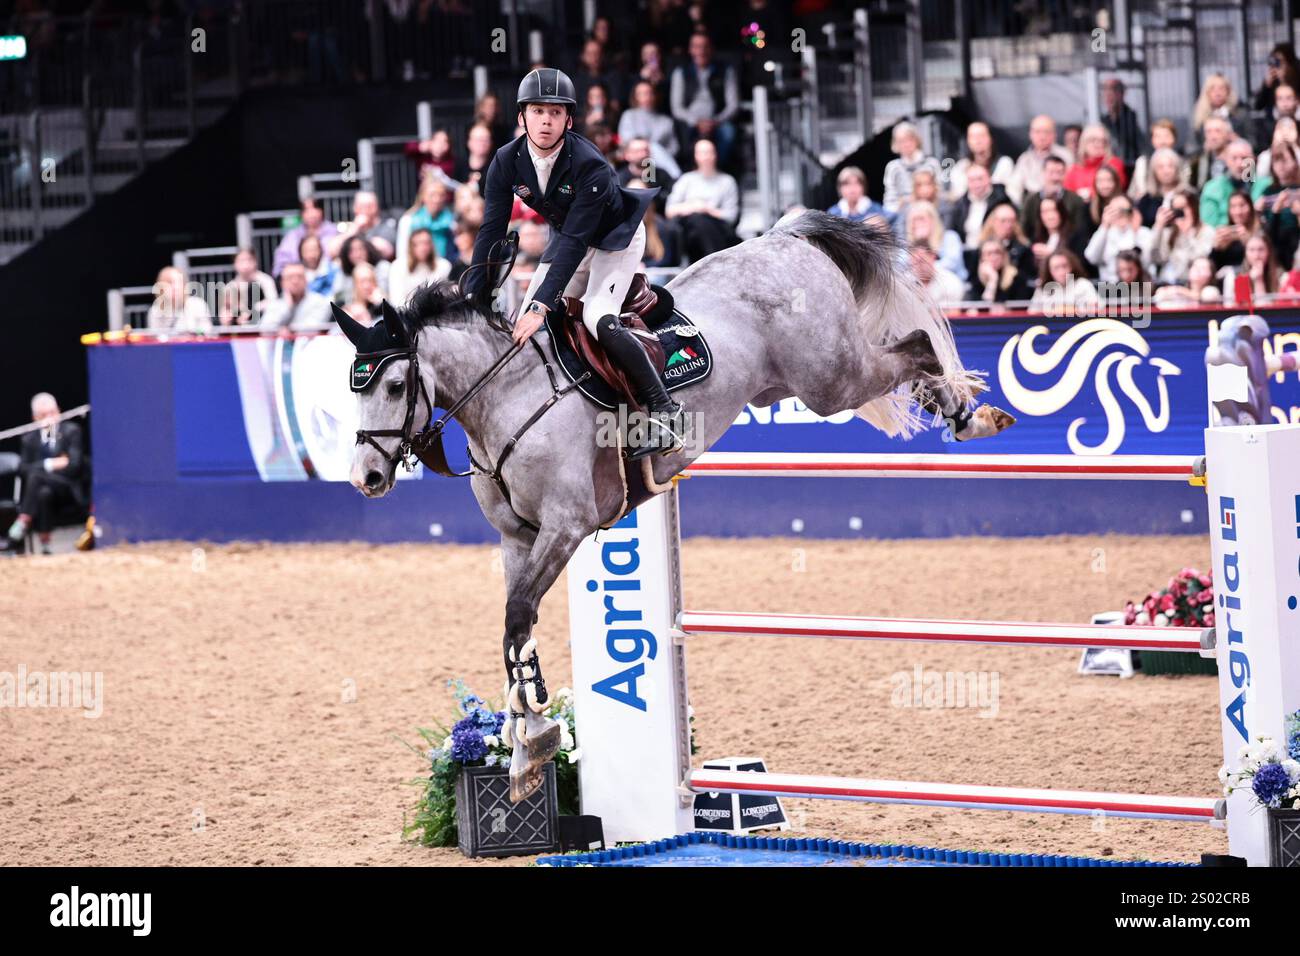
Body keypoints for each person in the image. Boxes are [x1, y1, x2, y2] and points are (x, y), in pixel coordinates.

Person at [461, 67, 684, 459]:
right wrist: (471, 296)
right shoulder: (504, 161)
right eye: (537, 111)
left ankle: (666, 412)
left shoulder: (589, 164)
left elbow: (580, 241)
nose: (546, 120)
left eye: (555, 112)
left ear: (569, 119)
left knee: (598, 316)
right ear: (521, 117)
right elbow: (491, 231)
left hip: (616, 238)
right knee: (526, 327)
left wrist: (539, 305)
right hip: (569, 238)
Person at [4, 393, 86, 556]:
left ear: (59, 411)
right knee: (43, 492)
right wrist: (50, 464)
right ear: (35, 418)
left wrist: (41, 468)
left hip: (67, 488)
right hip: (44, 492)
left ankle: (22, 520)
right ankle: (45, 545)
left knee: (36, 477)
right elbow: (23, 470)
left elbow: (74, 466)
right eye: (43, 415)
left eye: (53, 413)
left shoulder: (72, 431)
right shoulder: (29, 438)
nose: (50, 418)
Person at [669, 32, 738, 169]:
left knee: (729, 133)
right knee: (679, 136)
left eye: (705, 46)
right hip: (690, 122)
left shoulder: (726, 71)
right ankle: (690, 172)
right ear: (690, 49)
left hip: (717, 121)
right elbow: (677, 108)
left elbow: (733, 105)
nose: (701, 51)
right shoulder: (680, 73)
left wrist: (716, 121)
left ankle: (718, 171)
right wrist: (696, 122)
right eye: (696, 46)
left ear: (711, 49)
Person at [665, 138, 741, 261]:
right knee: (696, 220)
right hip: (689, 229)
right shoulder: (686, 180)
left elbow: (730, 216)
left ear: (715, 154)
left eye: (708, 152)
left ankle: (709, 260)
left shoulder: (727, 181)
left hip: (717, 227)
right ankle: (714, 260)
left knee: (700, 221)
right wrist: (693, 207)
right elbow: (670, 211)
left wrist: (706, 209)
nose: (706, 157)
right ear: (695, 156)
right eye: (701, 153)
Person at [1143, 187, 1214, 286]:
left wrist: (1187, 235)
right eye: (1177, 209)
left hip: (1193, 284)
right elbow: (1152, 258)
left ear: (1194, 207)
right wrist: (1158, 227)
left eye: (1184, 207)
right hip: (1167, 284)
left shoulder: (1207, 231)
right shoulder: (1169, 232)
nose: (1181, 213)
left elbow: (1197, 261)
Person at [1019, 154, 1089, 240]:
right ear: (1043, 173)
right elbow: (1024, 229)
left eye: (1059, 173)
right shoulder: (1031, 200)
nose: (1055, 178)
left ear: (1065, 175)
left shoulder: (1076, 201)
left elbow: (1080, 231)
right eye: (1051, 172)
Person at [1007, 114, 1073, 205]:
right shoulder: (1025, 159)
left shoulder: (1065, 155)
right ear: (1030, 134)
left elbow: (1072, 181)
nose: (1042, 137)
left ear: (1054, 134)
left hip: (1061, 202)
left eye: (1046, 132)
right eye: (1038, 132)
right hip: (1034, 204)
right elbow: (1013, 187)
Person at [944, 121, 1014, 203]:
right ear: (968, 141)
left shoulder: (1004, 163)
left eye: (981, 136)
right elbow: (956, 196)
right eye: (973, 137)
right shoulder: (961, 167)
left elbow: (1008, 194)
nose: (977, 140)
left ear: (990, 138)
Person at [1084, 197, 1151, 283]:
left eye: (1125, 211)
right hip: (1111, 287)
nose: (1120, 215)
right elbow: (1091, 257)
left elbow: (1147, 261)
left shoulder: (1143, 232)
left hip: (1139, 285)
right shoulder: (1104, 233)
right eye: (1115, 211)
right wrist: (1104, 226)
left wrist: (1135, 233)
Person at [947, 163, 1011, 252]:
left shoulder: (1002, 200)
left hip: (996, 250)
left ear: (989, 178)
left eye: (980, 179)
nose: (976, 184)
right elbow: (953, 232)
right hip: (967, 252)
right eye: (972, 180)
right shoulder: (960, 204)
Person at [618, 80, 680, 170]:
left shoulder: (666, 121)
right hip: (635, 162)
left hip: (659, 165)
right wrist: (646, 148)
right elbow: (626, 140)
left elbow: (674, 148)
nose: (646, 97)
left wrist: (659, 152)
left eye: (649, 93)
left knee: (654, 149)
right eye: (641, 94)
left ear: (655, 95)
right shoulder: (629, 115)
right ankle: (675, 176)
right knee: (651, 148)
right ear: (635, 97)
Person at [1258, 139, 1300, 269]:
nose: (1281, 165)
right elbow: (1269, 234)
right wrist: (1274, 210)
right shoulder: (1268, 192)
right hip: (1276, 246)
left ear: (1295, 162)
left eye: (1285, 160)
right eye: (1276, 161)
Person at [1200, 139, 1262, 227]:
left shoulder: (1265, 185)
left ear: (1254, 160)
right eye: (1234, 158)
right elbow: (1208, 225)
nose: (1239, 164)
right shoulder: (1211, 188)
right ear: (1226, 161)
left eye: (1244, 158)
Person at [272, 197, 339, 277]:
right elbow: (280, 263)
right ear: (301, 214)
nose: (311, 213)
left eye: (315, 208)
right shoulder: (292, 236)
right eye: (306, 210)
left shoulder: (334, 232)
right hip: (299, 278)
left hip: (330, 278)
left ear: (322, 211)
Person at [902, 200, 967, 282]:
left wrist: (924, 266)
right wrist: (918, 243)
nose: (917, 224)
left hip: (951, 285)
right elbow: (901, 266)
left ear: (933, 220)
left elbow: (951, 263)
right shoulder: (906, 244)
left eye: (921, 219)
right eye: (914, 220)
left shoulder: (950, 237)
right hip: (920, 288)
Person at [882, 122, 941, 212]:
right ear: (895, 144)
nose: (906, 144)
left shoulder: (932, 164)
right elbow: (889, 201)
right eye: (901, 141)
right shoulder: (893, 167)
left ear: (916, 140)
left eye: (909, 140)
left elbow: (939, 193)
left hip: (930, 211)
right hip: (902, 215)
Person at [325, 190, 396, 262]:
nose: (365, 210)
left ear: (376, 207)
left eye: (369, 206)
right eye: (361, 206)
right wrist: (354, 228)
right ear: (355, 208)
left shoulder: (387, 225)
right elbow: (332, 251)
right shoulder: (349, 227)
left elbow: (387, 251)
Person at [260, 262, 333, 331]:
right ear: (282, 283)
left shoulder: (320, 302)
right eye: (290, 277)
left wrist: (285, 330)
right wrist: (287, 307)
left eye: (299, 277)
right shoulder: (275, 305)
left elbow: (311, 331)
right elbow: (265, 333)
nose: (295, 281)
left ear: (306, 280)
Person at [1028, 195, 1090, 274]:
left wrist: (1052, 254)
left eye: (1054, 210)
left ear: (1061, 212)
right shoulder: (1036, 238)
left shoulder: (1075, 236)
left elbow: (1081, 264)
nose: (1050, 216)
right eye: (1045, 212)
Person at [389, 227, 452, 305]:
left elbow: (445, 296)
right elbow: (396, 300)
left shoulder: (444, 266)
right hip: (406, 313)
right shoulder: (398, 266)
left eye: (426, 243)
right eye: (418, 243)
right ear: (411, 246)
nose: (423, 248)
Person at [1064, 124, 1128, 198]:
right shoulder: (1074, 169)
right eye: (1093, 140)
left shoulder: (1114, 164)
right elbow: (1067, 195)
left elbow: (1116, 188)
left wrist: (1088, 193)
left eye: (1103, 141)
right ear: (1084, 143)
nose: (1099, 144)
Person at [1031, 249, 1098, 316]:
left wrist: (1070, 310)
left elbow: (1097, 309)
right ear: (1049, 270)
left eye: (1064, 266)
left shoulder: (1083, 284)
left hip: (1079, 324)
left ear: (1071, 267)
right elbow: (1032, 313)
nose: (1061, 272)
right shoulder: (1043, 287)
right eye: (1056, 268)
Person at [147, 266, 211, 333]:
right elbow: (155, 338)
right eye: (169, 282)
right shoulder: (155, 311)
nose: (175, 287)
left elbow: (207, 332)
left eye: (178, 282)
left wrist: (194, 332)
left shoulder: (197, 304)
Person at [1133, 147, 1186, 226]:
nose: (1166, 171)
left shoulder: (1188, 196)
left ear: (1177, 169)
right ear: (1154, 172)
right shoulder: (1146, 200)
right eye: (1160, 167)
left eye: (1170, 166)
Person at [1100, 78, 1143, 176]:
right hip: (1110, 170)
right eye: (1105, 90)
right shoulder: (1104, 120)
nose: (1109, 94)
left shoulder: (1131, 118)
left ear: (1122, 94)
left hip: (1130, 169)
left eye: (1114, 90)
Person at [1210, 190, 1260, 272]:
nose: (1238, 212)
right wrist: (1216, 248)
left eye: (1242, 205)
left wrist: (1248, 241)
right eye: (1233, 207)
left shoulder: (1260, 231)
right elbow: (1213, 268)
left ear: (1250, 207)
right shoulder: (1225, 232)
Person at [1192, 73, 1248, 147]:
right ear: (1207, 93)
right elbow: (1191, 147)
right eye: (1212, 89)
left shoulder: (1241, 113)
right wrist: (1204, 148)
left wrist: (1238, 141)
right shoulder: (1199, 116)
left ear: (1228, 92)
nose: (1217, 93)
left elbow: (1254, 143)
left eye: (1221, 88)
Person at [827, 166, 893, 226]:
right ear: (840, 188)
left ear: (863, 187)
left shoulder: (875, 209)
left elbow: (894, 218)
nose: (852, 188)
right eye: (847, 184)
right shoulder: (833, 214)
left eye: (857, 183)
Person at [1225, 232, 1281, 303]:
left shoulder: (1281, 276)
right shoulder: (1234, 276)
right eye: (1251, 250)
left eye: (1261, 249)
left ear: (1268, 252)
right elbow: (1237, 309)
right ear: (1246, 253)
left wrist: (1259, 281)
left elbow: (1267, 311)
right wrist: (1246, 283)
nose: (1256, 255)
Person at [970, 238, 1031, 303]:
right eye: (989, 253)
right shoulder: (976, 278)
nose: (994, 257)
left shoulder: (1016, 276)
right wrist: (992, 280)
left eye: (997, 252)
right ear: (982, 257)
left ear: (1004, 255)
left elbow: (1019, 306)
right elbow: (982, 308)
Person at [910, 241, 964, 308]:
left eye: (921, 261)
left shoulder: (951, 282)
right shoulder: (906, 283)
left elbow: (955, 313)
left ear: (933, 257)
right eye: (914, 263)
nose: (918, 266)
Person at [1153, 255, 1223, 306]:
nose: (1198, 270)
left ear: (1211, 274)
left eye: (1203, 268)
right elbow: (1159, 293)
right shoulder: (1181, 288)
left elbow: (1207, 297)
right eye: (1195, 266)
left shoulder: (1211, 290)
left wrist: (1181, 291)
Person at [1186, 115, 1233, 189]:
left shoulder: (1244, 155)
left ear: (1228, 134)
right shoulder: (1198, 160)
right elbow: (1192, 188)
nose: (1213, 136)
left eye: (1218, 131)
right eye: (1208, 132)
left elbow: (1250, 184)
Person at [453, 122, 496, 188]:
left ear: (491, 143)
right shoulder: (459, 165)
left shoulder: (496, 166)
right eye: (478, 140)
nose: (482, 143)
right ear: (469, 142)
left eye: (486, 140)